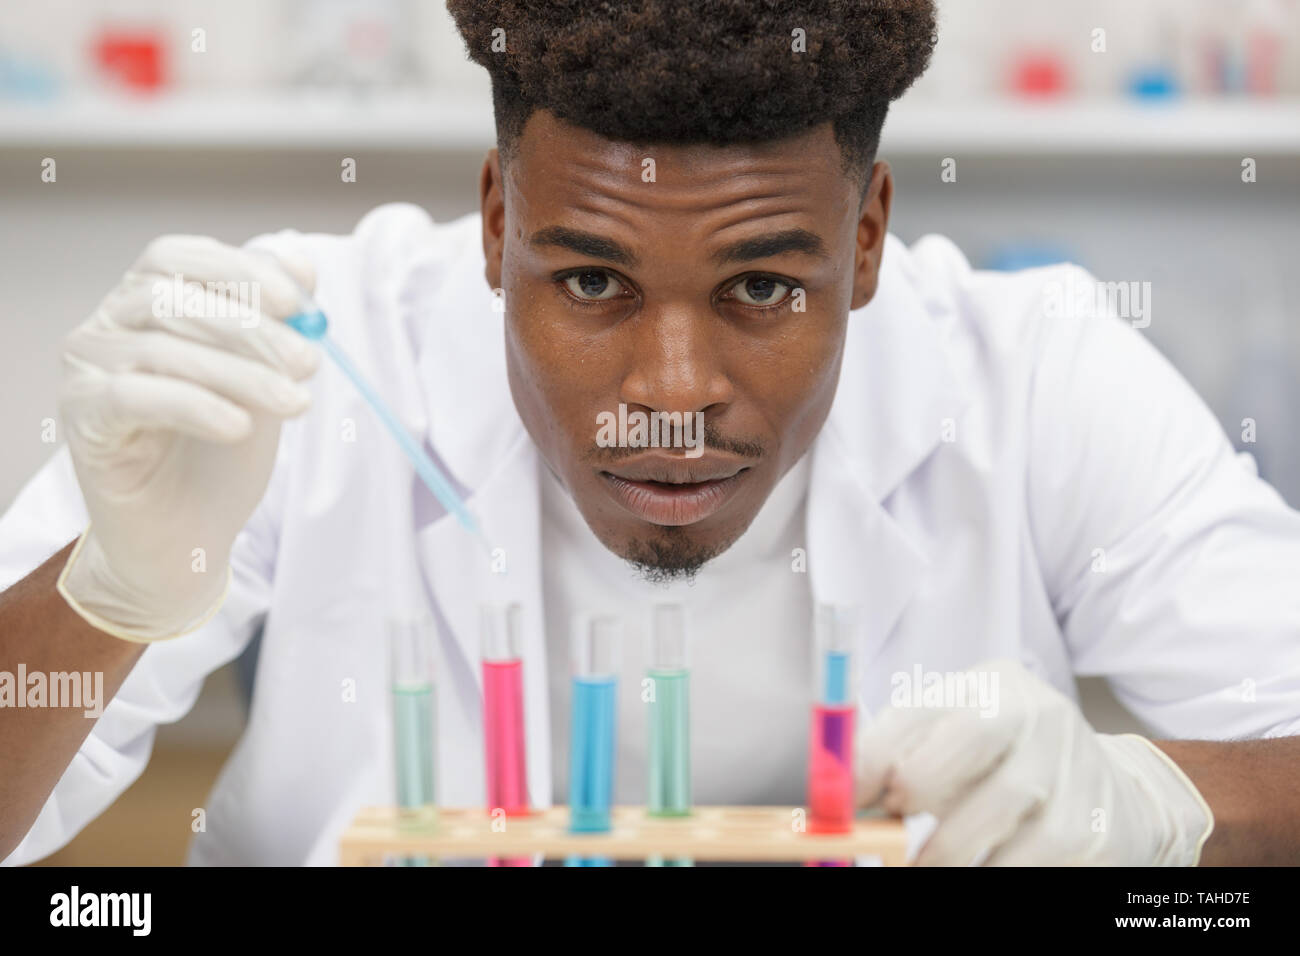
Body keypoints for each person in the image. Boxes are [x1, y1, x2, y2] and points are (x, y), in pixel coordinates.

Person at [3, 0, 1299, 867]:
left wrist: (1153, 804)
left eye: (761, 288)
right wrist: (112, 593)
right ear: (499, 220)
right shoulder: (296, 344)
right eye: (591, 282)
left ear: (865, 238)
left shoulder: (1037, 377)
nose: (671, 391)